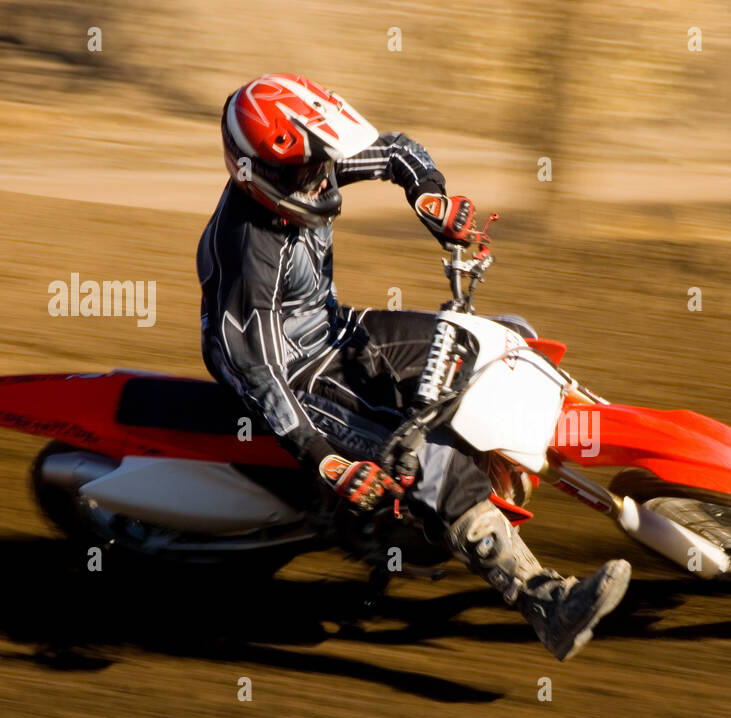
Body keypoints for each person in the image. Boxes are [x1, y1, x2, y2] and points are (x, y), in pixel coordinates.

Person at [195, 73, 629, 660]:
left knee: (484, 341)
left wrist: (430, 194)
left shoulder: (306, 167)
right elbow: (258, 374)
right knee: (431, 463)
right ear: (261, 174)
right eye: (307, 172)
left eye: (321, 164)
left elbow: (397, 150)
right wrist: (324, 461)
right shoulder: (247, 254)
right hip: (291, 376)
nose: (322, 177)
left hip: (334, 328)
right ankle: (544, 602)